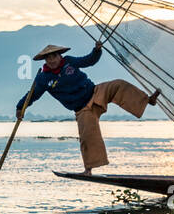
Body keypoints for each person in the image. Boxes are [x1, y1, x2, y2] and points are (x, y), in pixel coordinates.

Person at [17, 43, 160, 174]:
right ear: (45, 61)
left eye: (54, 56)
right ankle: (88, 170)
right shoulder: (43, 79)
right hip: (82, 109)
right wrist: (20, 108)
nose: (52, 60)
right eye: (48, 59)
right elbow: (32, 95)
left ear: (59, 56)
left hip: (96, 92)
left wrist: (97, 50)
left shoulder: (69, 62)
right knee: (87, 136)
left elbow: (88, 61)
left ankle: (147, 100)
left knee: (118, 85)